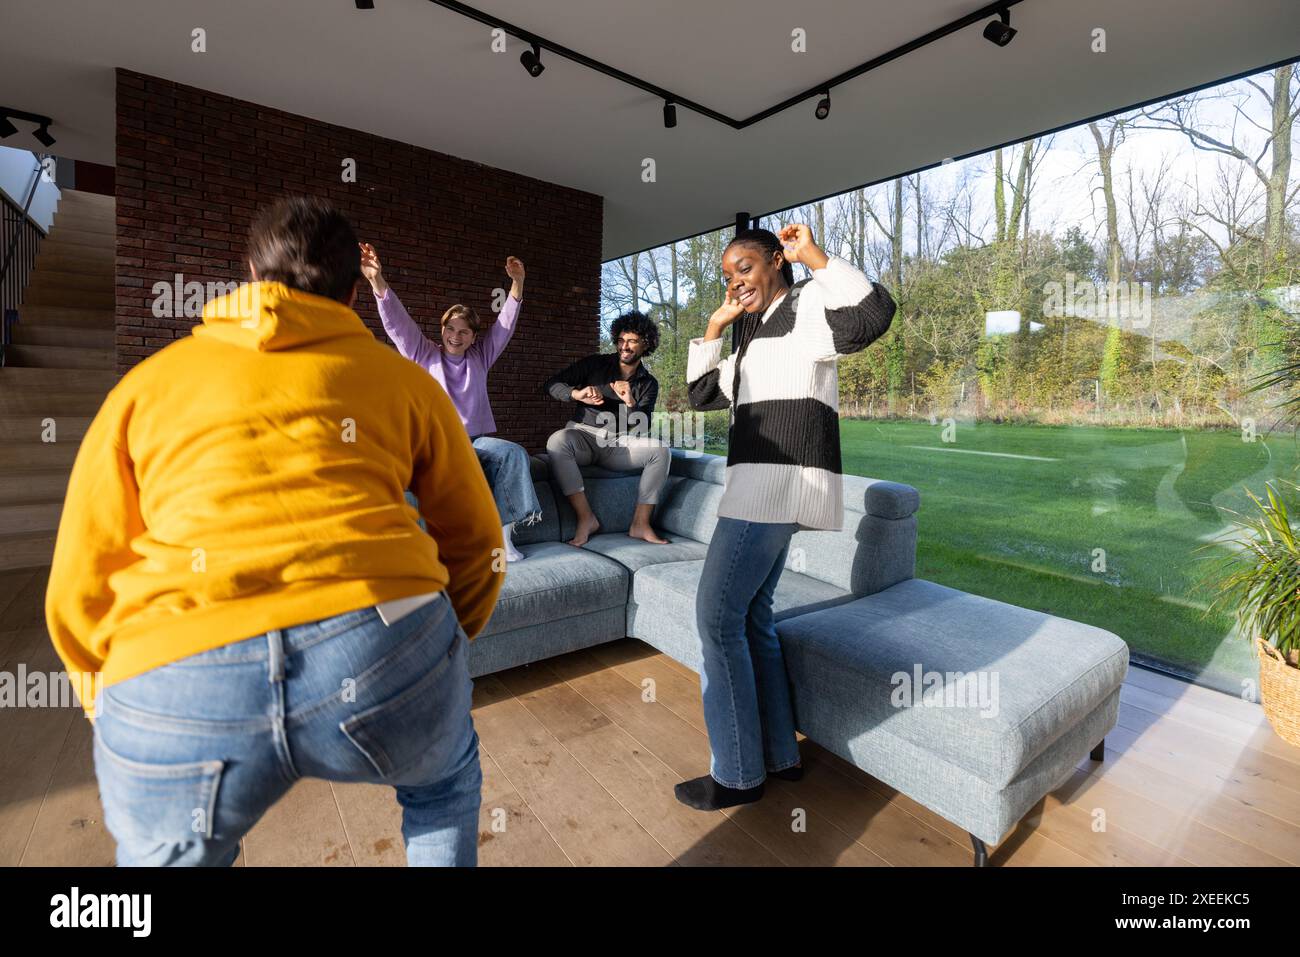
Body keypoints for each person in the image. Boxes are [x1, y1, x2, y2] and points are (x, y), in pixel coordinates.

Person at [45, 196, 505, 866]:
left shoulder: (144, 388)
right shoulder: (406, 384)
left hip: (178, 666)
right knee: (441, 788)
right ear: (352, 292)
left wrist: (109, 696)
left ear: (250, 272)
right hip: (385, 639)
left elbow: (81, 577)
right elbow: (481, 546)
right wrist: (432, 651)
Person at [677, 224, 896, 810]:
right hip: (761, 485)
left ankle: (738, 775)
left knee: (716, 620)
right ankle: (779, 756)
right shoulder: (750, 335)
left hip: (773, 488)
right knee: (752, 621)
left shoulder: (807, 307)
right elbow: (701, 397)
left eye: (744, 268)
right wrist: (716, 326)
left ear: (776, 260)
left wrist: (816, 257)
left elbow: (871, 317)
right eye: (727, 274)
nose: (735, 281)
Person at [361, 242, 541, 562]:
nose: (456, 336)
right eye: (451, 329)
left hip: (476, 442)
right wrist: (377, 280)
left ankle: (503, 540)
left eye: (464, 332)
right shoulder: (423, 353)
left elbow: (504, 327)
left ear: (473, 337)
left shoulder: (480, 357)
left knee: (514, 453)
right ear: (442, 329)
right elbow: (397, 324)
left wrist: (517, 283)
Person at [542, 312, 671, 547]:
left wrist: (630, 401)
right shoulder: (595, 364)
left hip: (617, 443)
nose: (625, 346)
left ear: (646, 344)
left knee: (660, 451)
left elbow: (641, 424)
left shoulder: (648, 383)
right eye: (621, 340)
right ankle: (586, 518)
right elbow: (551, 384)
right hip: (583, 436)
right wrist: (576, 394)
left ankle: (640, 524)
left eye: (632, 341)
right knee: (557, 441)